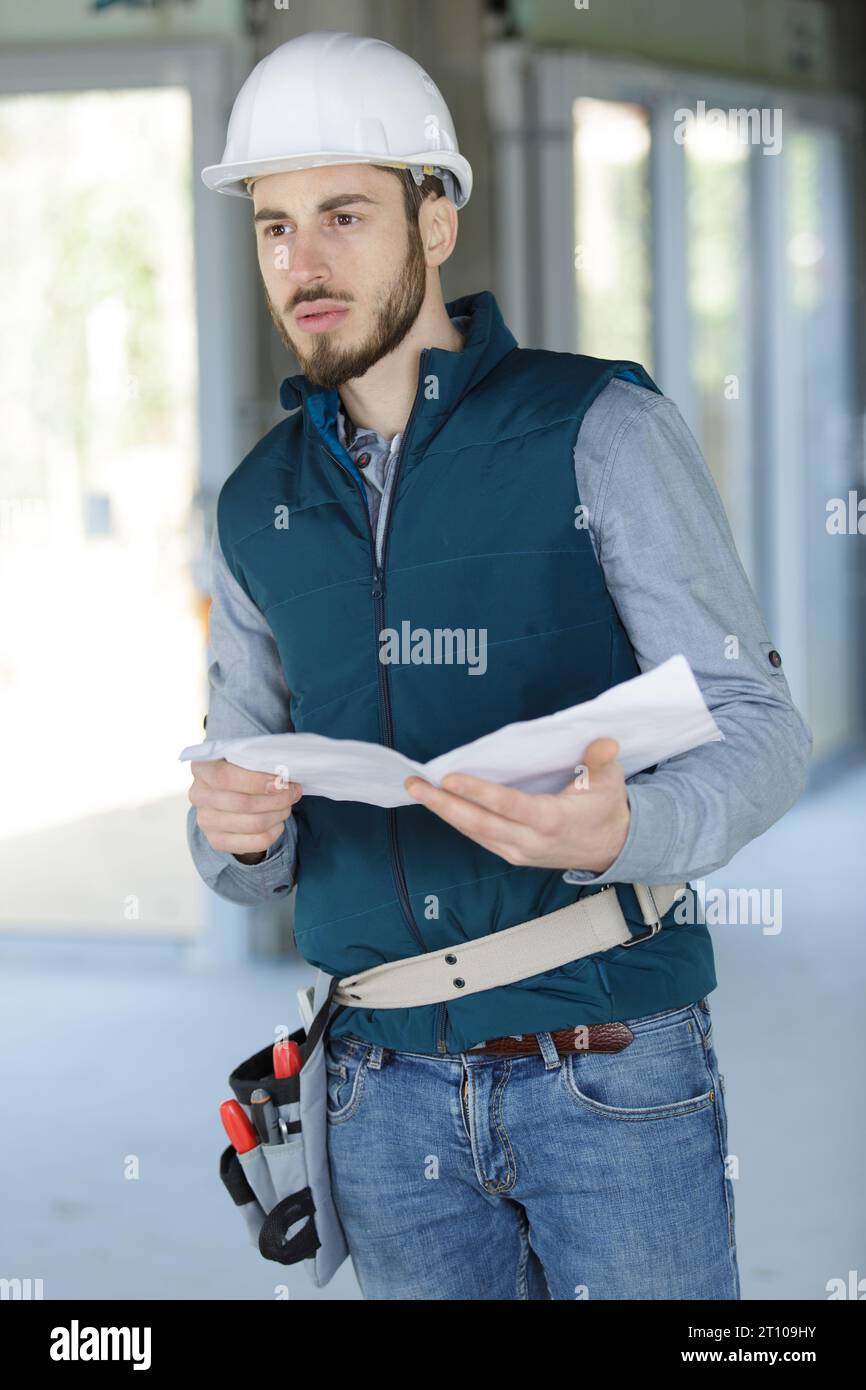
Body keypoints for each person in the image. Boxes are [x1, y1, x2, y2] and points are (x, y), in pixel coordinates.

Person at [188, 30, 812, 1300]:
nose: (300, 263)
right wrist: (236, 831)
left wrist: (630, 821)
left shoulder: (599, 429)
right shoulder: (251, 506)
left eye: (343, 214)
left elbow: (758, 723)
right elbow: (237, 839)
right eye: (272, 226)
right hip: (374, 1092)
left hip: (605, 1059)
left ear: (435, 221)